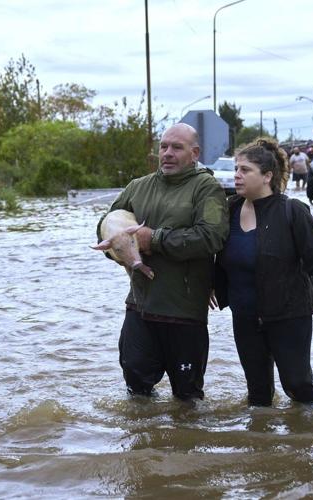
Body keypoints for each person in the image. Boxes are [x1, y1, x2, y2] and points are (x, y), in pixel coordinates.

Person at [97, 123, 229, 400]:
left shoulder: (207, 188)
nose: (167, 153)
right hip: (140, 305)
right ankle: (147, 442)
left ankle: (184, 441)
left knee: (187, 397)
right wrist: (121, 250)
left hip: (184, 309)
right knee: (135, 386)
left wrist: (152, 239)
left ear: (194, 153)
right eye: (163, 147)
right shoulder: (137, 187)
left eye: (177, 148)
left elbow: (211, 237)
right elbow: (106, 228)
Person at [211, 137, 313, 407]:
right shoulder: (228, 210)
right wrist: (209, 284)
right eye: (236, 169)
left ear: (267, 176)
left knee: (297, 386)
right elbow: (214, 253)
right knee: (258, 396)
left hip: (289, 315)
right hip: (245, 318)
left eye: (245, 170)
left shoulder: (291, 211)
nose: (237, 175)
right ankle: (262, 447)